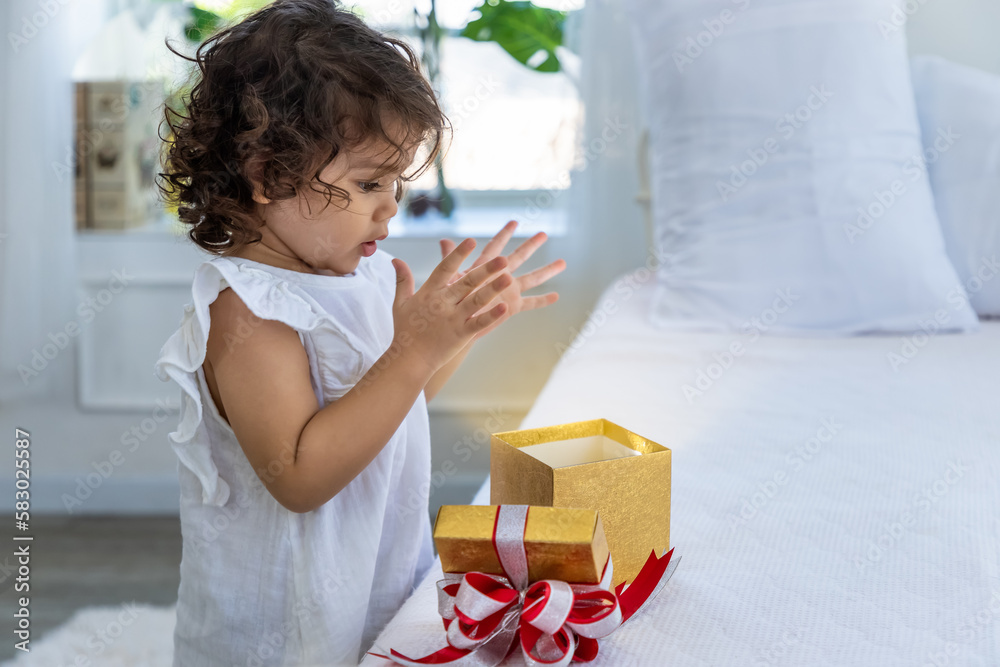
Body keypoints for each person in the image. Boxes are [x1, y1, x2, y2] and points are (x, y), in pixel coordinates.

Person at [152, 1, 565, 664]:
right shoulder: (251, 314)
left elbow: (390, 414)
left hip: (369, 579)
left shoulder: (357, 277)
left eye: (397, 183)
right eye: (370, 181)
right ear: (268, 176)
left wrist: (455, 334)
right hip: (279, 626)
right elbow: (302, 476)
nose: (390, 207)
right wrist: (413, 349)